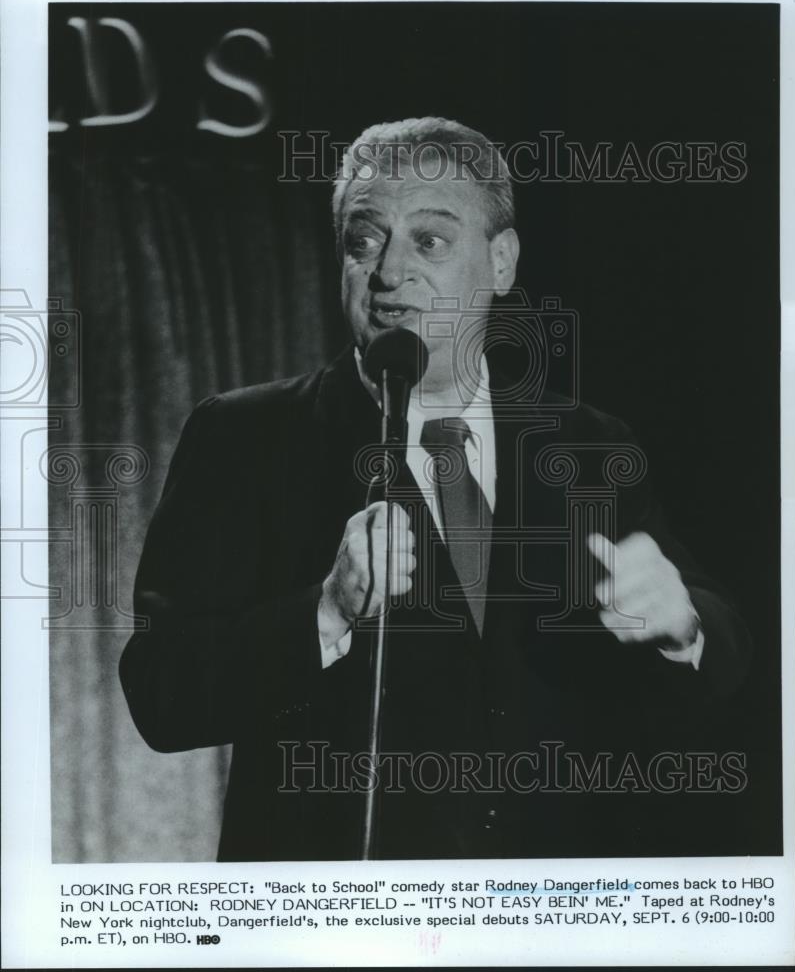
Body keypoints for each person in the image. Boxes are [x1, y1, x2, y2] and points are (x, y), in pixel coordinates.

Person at [119, 117, 752, 861]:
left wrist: (680, 623)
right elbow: (162, 694)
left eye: (430, 240)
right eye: (363, 241)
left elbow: (721, 644)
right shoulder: (243, 436)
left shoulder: (585, 443)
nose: (388, 273)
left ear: (502, 262)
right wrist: (325, 612)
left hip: (544, 912)